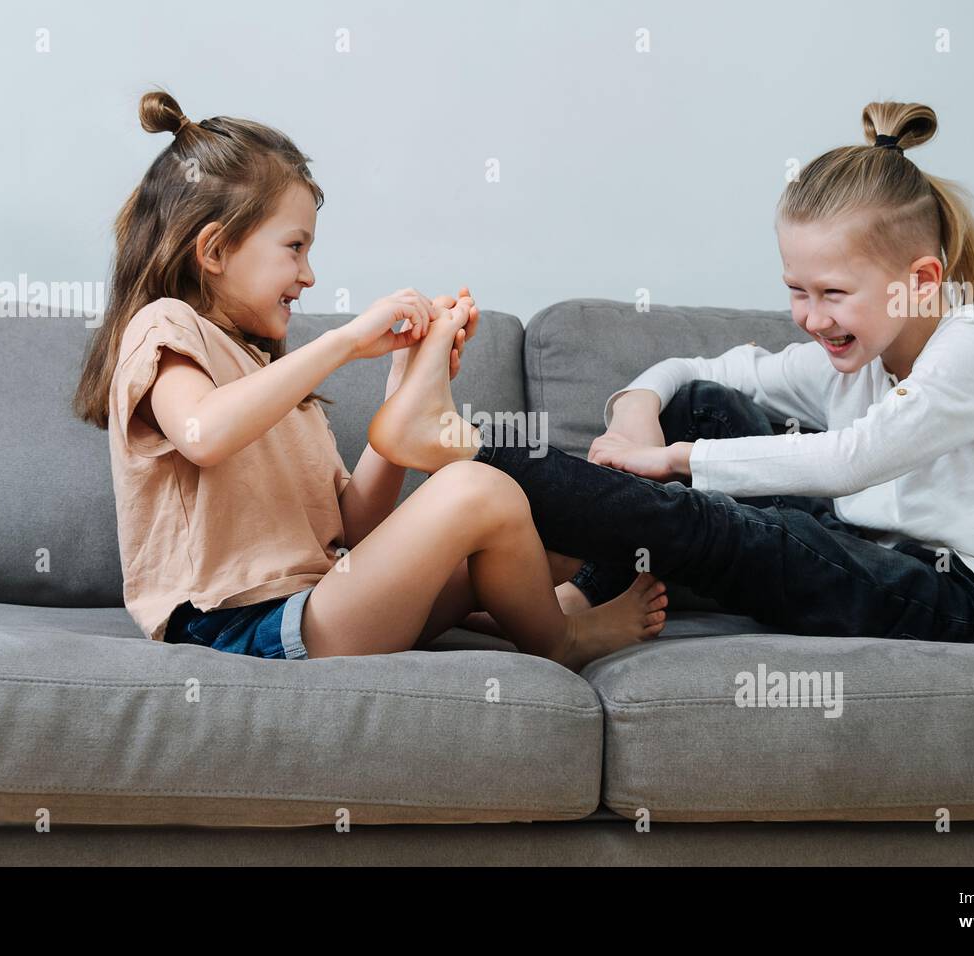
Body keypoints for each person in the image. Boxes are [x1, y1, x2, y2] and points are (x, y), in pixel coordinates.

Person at [368, 101, 974, 645]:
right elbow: (698, 369)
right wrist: (636, 407)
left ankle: (459, 443)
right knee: (703, 403)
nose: (810, 317)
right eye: (797, 291)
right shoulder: (857, 352)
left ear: (919, 281)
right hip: (876, 553)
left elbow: (850, 461)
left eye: (832, 294)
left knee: (737, 529)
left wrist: (675, 459)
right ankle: (579, 603)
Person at [72, 90, 668, 671]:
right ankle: (559, 639)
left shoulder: (270, 377)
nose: (308, 274)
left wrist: (401, 388)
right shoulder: (164, 327)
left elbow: (354, 526)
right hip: (238, 625)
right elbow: (203, 433)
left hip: (326, 604)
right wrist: (345, 342)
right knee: (477, 489)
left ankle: (532, 606)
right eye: (295, 247)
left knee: (548, 533)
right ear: (215, 249)